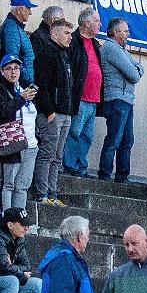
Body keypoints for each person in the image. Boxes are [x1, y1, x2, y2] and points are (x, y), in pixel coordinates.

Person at [31, 16, 78, 205]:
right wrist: (49, 111)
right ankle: (42, 194)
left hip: (65, 114)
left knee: (57, 157)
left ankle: (52, 194)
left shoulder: (64, 55)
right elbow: (41, 86)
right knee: (47, 154)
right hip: (52, 114)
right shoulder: (46, 54)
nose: (70, 37)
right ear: (55, 34)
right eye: (66, 33)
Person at [91, 17, 142, 182]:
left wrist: (136, 69)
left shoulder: (123, 50)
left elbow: (139, 67)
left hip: (126, 100)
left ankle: (122, 176)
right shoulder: (111, 48)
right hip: (116, 99)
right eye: (125, 31)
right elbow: (134, 75)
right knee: (114, 138)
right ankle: (105, 174)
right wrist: (135, 70)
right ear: (115, 32)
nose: (128, 34)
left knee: (127, 140)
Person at [0, 53, 39, 212]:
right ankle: (5, 217)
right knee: (8, 184)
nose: (13, 72)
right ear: (2, 71)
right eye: (9, 68)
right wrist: (21, 99)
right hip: (11, 142)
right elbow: (0, 113)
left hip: (30, 143)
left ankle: (18, 219)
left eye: (16, 68)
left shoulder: (23, 88)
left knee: (22, 186)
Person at [60, 9, 105, 176]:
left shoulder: (95, 44)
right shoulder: (73, 42)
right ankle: (70, 165)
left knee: (87, 136)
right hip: (80, 97)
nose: (100, 24)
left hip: (93, 99)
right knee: (74, 132)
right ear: (87, 23)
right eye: (97, 21)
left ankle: (80, 166)